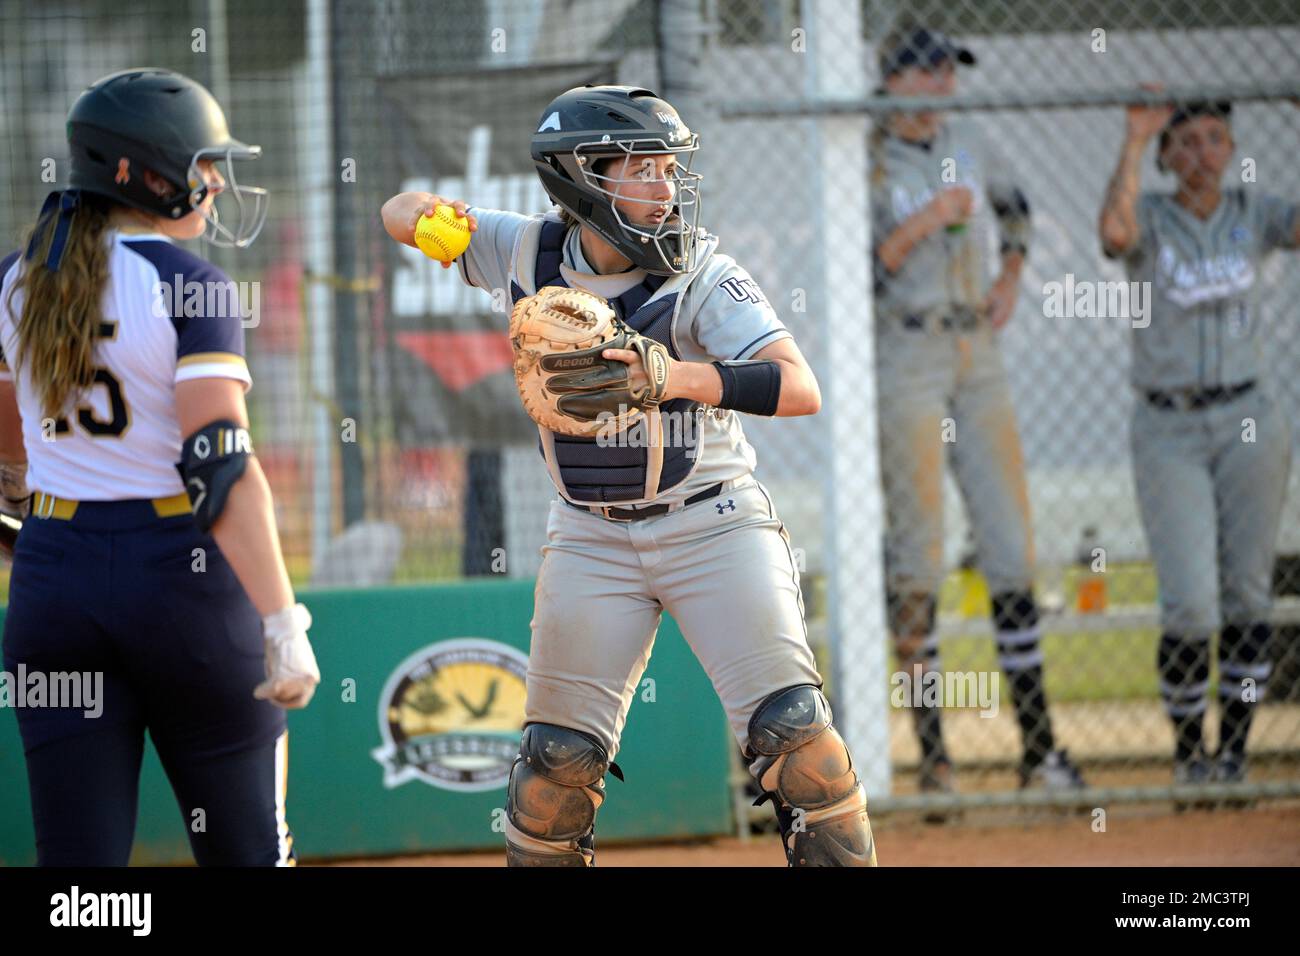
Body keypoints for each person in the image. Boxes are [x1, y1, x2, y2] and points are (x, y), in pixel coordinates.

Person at [382, 84, 877, 867]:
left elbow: (798, 387)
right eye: (642, 169)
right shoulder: (524, 250)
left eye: (669, 169)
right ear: (583, 179)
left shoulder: (703, 272)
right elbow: (396, 210)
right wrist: (434, 223)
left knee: (798, 741)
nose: (666, 188)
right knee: (553, 773)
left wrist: (673, 376)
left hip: (713, 521)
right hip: (589, 535)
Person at [0, 68, 320, 866]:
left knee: (78, 874)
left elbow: (9, 452)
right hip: (183, 583)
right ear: (142, 173)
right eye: (202, 164)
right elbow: (218, 464)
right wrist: (282, 622)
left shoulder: (15, 276)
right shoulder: (193, 286)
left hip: (55, 584)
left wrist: (34, 533)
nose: (214, 183)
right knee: (248, 853)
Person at [870, 27, 1085, 802]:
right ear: (893, 81)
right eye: (928, 72)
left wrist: (1014, 271)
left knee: (1011, 548)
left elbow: (1015, 204)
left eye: (947, 74)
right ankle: (934, 756)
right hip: (906, 350)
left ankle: (1041, 749)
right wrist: (924, 221)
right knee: (920, 556)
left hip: (976, 351)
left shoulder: (969, 136)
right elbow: (857, 267)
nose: (942, 87)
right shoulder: (862, 149)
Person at [1099, 93, 1298, 786]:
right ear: (1164, 157)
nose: (1201, 153)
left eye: (1215, 139)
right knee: (1190, 599)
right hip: (1169, 425)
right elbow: (1114, 234)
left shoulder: (1254, 212)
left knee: (1248, 595)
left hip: (1250, 417)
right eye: (1183, 142)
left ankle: (1235, 757)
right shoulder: (1152, 217)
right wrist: (1131, 141)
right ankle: (1190, 757)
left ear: (1232, 148)